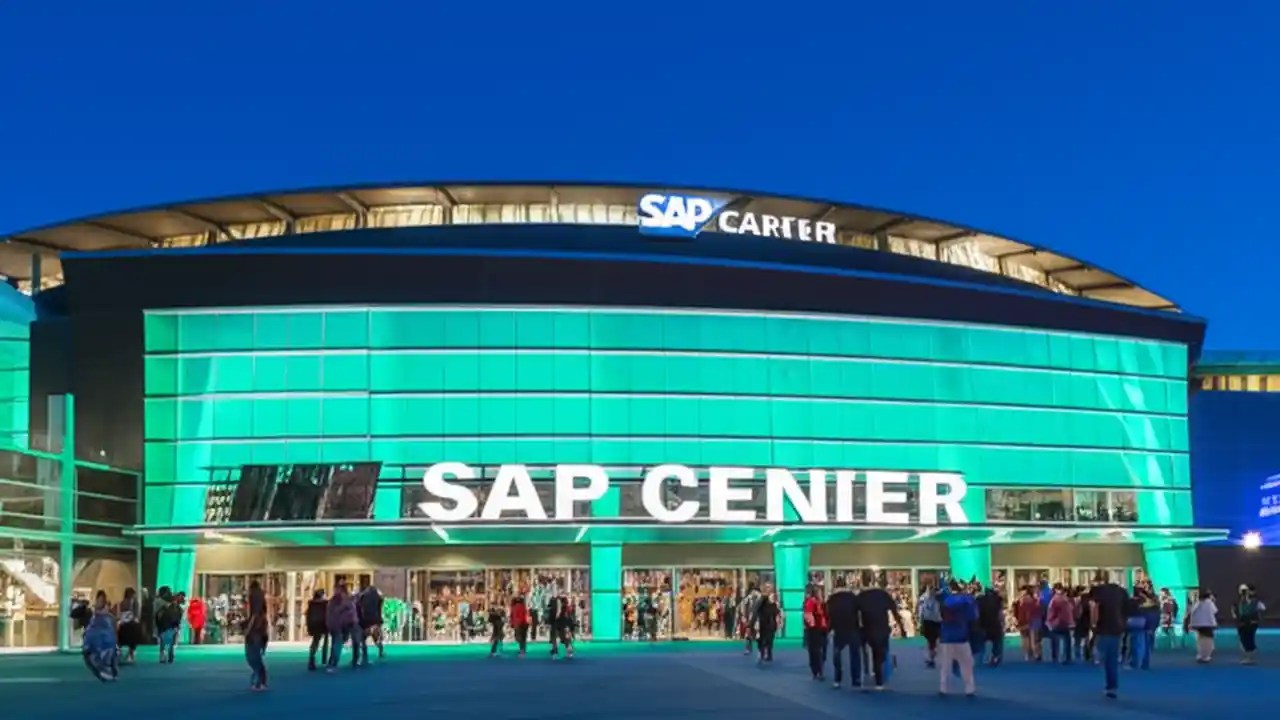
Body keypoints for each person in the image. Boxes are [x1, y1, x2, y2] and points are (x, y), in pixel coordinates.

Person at [855, 579, 906, 690]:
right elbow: (894, 611)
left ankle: (863, 676)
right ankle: (879, 680)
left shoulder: (861, 596)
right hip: (881, 629)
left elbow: (854, 613)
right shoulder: (883, 595)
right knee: (879, 655)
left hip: (866, 629)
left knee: (864, 652)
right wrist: (902, 629)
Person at [1090, 573, 1128, 700]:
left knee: (1101, 653)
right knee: (1111, 660)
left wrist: (1093, 624)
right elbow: (1126, 609)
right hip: (1117, 628)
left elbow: (1095, 608)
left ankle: (1097, 657)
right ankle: (1112, 686)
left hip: (1103, 628)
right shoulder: (1121, 591)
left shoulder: (1097, 591)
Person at [937, 580, 978, 697]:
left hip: (946, 636)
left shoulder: (944, 599)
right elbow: (973, 616)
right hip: (961, 636)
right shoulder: (967, 599)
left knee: (945, 664)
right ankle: (969, 689)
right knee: (967, 663)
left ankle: (943, 688)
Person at [825, 575, 861, 689]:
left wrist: (829, 629)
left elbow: (828, 616)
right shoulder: (853, 597)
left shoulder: (832, 599)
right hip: (853, 628)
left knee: (837, 654)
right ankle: (856, 679)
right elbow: (859, 613)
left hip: (838, 629)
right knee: (855, 654)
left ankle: (837, 679)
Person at [82, 590, 119, 682]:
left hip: (105, 637)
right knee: (91, 655)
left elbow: (112, 622)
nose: (100, 601)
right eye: (99, 599)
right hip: (95, 636)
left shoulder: (107, 615)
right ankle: (102, 671)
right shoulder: (94, 613)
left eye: (102, 599)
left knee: (108, 654)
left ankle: (109, 672)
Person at [326, 581, 359, 672]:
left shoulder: (345, 599)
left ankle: (335, 662)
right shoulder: (339, 599)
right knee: (338, 642)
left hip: (348, 622)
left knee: (339, 643)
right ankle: (334, 662)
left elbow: (335, 611)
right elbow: (334, 611)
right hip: (342, 623)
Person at [244, 580, 269, 691]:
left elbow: (254, 615)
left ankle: (259, 681)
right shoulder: (259, 597)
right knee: (255, 656)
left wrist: (247, 629)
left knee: (252, 656)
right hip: (259, 630)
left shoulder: (254, 597)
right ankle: (260, 680)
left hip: (255, 630)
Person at [802, 584, 829, 680]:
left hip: (823, 629)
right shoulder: (811, 602)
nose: (821, 594)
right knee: (815, 651)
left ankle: (820, 669)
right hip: (814, 630)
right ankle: (817, 671)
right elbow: (808, 616)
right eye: (819, 592)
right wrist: (812, 626)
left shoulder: (824, 603)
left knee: (823, 651)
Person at [1233, 584, 1265, 665]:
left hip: (1250, 623)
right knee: (1245, 639)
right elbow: (1235, 612)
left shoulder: (1254, 601)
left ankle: (1249, 657)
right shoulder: (1238, 602)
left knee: (1248, 639)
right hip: (1243, 623)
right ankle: (1249, 656)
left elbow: (1262, 608)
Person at [1187, 589, 1218, 663]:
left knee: (1200, 640)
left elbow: (1192, 612)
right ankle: (1206, 656)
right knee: (1208, 640)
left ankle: (1201, 654)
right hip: (1208, 624)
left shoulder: (1197, 603)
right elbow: (1215, 611)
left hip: (1198, 625)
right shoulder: (1209, 603)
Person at [976, 584, 1005, 666]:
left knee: (981, 643)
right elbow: (1000, 614)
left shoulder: (979, 600)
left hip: (982, 624)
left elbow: (976, 613)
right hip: (995, 625)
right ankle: (996, 657)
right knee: (998, 642)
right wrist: (1003, 624)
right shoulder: (998, 599)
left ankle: (980, 659)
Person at [356, 581, 384, 664]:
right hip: (375, 620)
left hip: (365, 620)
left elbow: (359, 606)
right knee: (376, 637)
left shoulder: (362, 596)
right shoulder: (378, 598)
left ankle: (365, 654)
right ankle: (380, 651)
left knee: (363, 639)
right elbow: (380, 605)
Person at [1046, 584, 1074, 664]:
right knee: (1065, 640)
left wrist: (1049, 622)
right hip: (1064, 622)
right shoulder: (1066, 600)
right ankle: (1066, 657)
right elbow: (1070, 611)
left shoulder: (1054, 600)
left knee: (1056, 640)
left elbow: (1051, 612)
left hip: (1056, 622)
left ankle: (1056, 656)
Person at [154, 586, 182, 664]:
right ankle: (165, 653)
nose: (169, 593)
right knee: (165, 639)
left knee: (167, 638)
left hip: (168, 622)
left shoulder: (168, 601)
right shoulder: (160, 602)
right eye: (168, 591)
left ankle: (167, 653)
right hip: (165, 623)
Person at [917, 583, 942, 667]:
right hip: (932, 622)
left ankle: (931, 658)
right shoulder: (934, 602)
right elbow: (935, 613)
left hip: (929, 622)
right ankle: (932, 658)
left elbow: (922, 612)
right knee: (932, 642)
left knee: (932, 642)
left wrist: (921, 620)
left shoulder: (926, 600)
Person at [755, 590, 782, 664]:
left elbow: (777, 615)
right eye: (771, 597)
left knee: (770, 641)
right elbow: (757, 613)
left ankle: (769, 655)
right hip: (763, 625)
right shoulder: (763, 605)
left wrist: (779, 622)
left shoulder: (774, 606)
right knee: (762, 641)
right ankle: (762, 654)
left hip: (771, 626)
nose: (773, 598)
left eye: (774, 597)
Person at [116, 587, 142, 664]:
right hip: (128, 624)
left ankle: (130, 654)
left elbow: (136, 614)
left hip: (129, 623)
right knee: (127, 640)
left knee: (127, 640)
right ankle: (128, 654)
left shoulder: (128, 602)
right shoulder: (125, 602)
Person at [1014, 586, 1040, 661]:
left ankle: (1027, 655)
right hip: (1032, 621)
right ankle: (1035, 654)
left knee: (1025, 638)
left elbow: (1016, 612)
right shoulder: (1034, 601)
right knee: (1033, 639)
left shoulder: (1019, 601)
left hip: (1023, 622)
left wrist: (1017, 620)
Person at [305, 589, 329, 670]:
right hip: (323, 623)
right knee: (326, 640)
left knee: (315, 641)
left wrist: (308, 626)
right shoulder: (325, 603)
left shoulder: (311, 603)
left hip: (314, 623)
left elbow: (308, 615)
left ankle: (311, 657)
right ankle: (324, 658)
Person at [738, 585, 763, 655]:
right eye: (752, 591)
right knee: (748, 634)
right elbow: (743, 606)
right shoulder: (749, 598)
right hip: (750, 619)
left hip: (758, 619)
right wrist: (744, 616)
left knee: (758, 635)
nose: (752, 593)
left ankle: (760, 650)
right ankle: (748, 649)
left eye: (754, 591)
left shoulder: (762, 599)